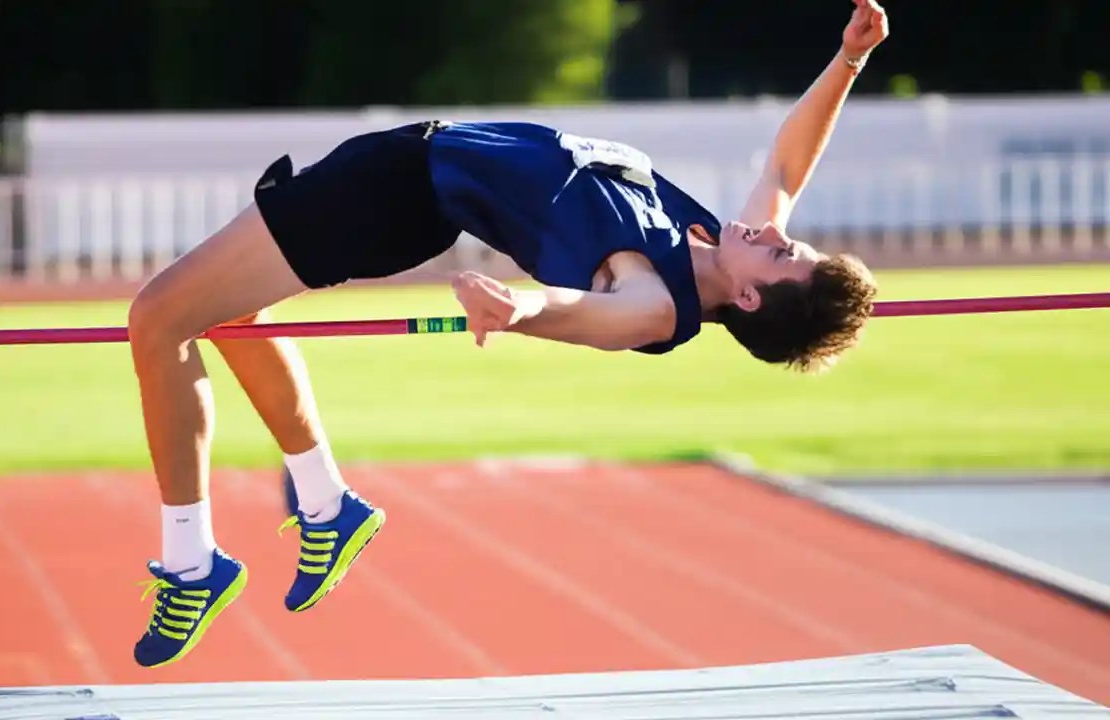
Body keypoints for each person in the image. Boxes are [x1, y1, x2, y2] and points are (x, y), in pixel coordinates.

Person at [125, 0, 888, 668]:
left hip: (391, 196)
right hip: (403, 165)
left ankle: (190, 564)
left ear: (751, 298)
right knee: (226, 314)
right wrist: (850, 57)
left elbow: (591, 316)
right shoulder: (714, 240)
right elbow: (788, 165)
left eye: (784, 254)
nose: (777, 233)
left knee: (158, 320)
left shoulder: (658, 301)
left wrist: (519, 310)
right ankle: (326, 507)